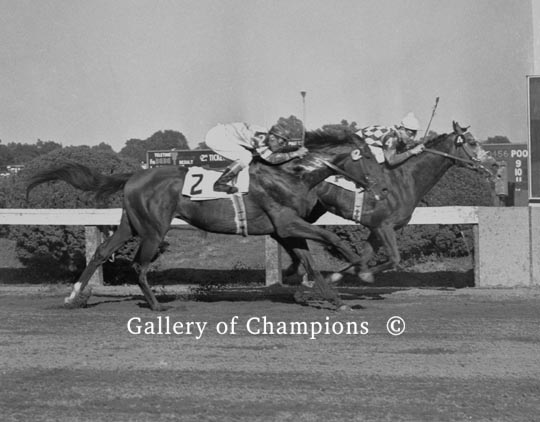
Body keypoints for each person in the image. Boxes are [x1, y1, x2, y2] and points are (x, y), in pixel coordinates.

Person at [204, 122, 308, 194]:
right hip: (217, 137)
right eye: (280, 143)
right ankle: (220, 184)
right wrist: (295, 154)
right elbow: (271, 159)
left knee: (250, 156)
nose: (280, 147)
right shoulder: (262, 138)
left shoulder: (267, 135)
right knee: (245, 156)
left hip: (224, 134)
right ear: (272, 137)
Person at [356, 112, 425, 166]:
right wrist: (412, 152)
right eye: (410, 134)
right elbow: (391, 161)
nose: (412, 138)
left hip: (364, 141)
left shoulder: (397, 134)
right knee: (381, 158)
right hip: (356, 141)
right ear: (402, 129)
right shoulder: (392, 137)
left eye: (414, 134)